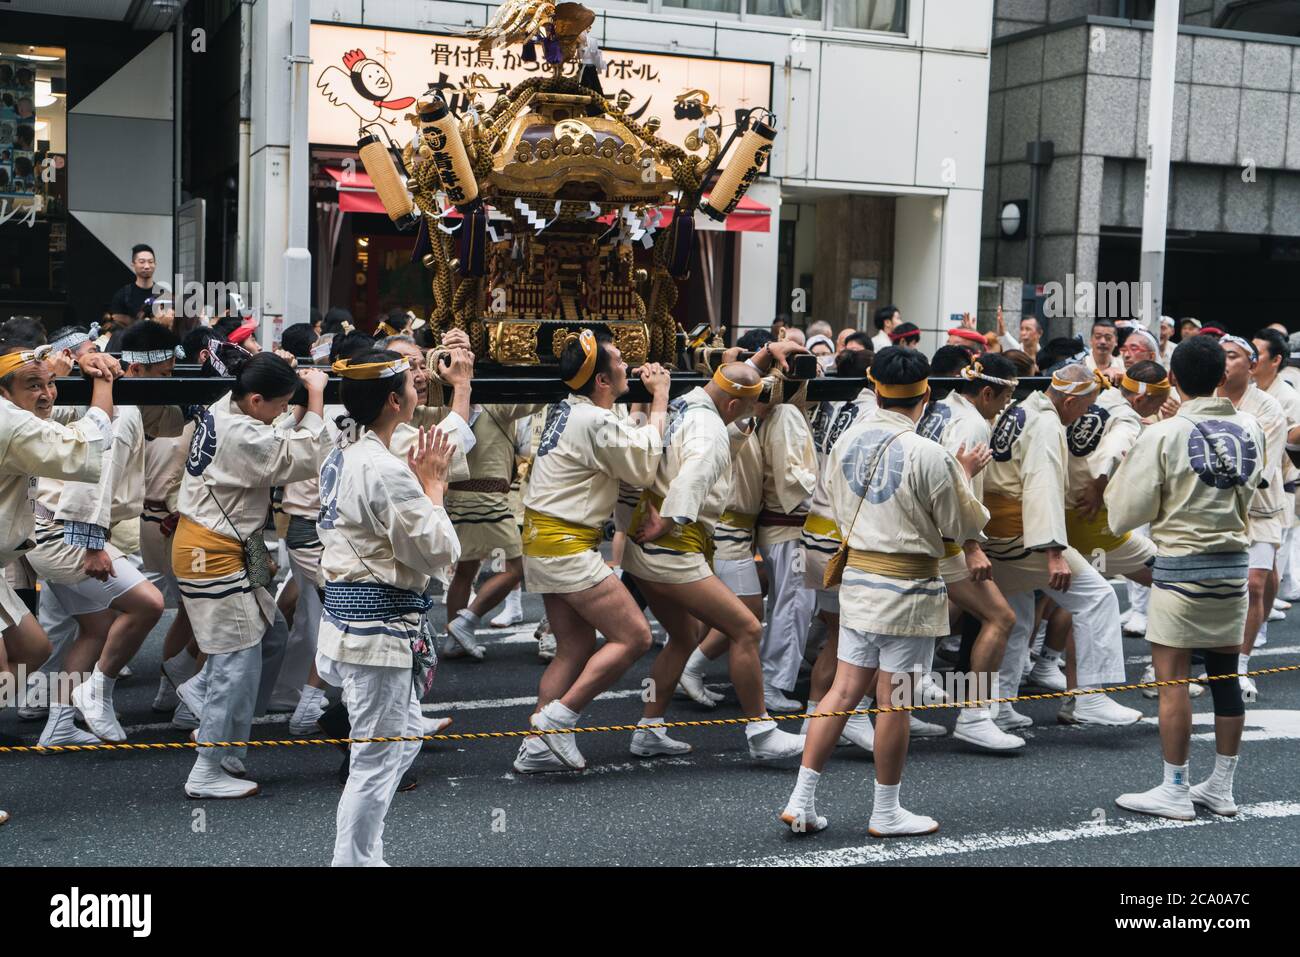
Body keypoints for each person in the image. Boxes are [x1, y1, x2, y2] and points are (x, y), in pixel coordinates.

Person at [781, 347, 988, 837]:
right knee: (894, 700)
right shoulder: (930, 453)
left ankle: (801, 798)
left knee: (843, 690)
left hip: (858, 582)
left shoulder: (848, 437)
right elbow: (959, 525)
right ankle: (886, 810)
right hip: (910, 586)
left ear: (875, 389)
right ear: (926, 394)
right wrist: (966, 474)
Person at [316, 350, 464, 866]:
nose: (418, 386)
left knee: (395, 745)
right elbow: (438, 549)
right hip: (378, 632)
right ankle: (354, 863)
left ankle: (363, 857)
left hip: (357, 623)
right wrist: (435, 486)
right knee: (376, 761)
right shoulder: (383, 468)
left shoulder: (343, 452)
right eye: (410, 382)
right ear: (393, 401)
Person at [621, 351, 807, 761]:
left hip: (649, 548)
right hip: (672, 547)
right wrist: (669, 521)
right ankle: (761, 732)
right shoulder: (711, 431)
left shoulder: (691, 400)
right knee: (746, 628)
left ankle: (649, 727)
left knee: (684, 637)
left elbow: (721, 415)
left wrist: (756, 375)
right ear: (734, 404)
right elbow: (695, 473)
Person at [1106, 337, 1259, 820]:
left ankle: (1175, 788)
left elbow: (1125, 513)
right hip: (1233, 567)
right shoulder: (1251, 425)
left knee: (1173, 682)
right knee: (1225, 677)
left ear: (1172, 378)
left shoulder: (1164, 433)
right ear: (1222, 378)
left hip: (1180, 572)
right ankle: (1222, 787)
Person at [172, 348, 328, 798]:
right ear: (257, 399)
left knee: (272, 634)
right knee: (235, 660)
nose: (285, 412)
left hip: (239, 545)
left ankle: (227, 733)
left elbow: (278, 434)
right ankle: (207, 764)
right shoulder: (240, 432)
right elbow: (301, 456)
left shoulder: (229, 405)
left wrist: (293, 394)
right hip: (214, 553)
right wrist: (314, 400)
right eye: (281, 404)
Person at [513, 330, 670, 773]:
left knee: (574, 646)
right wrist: (659, 400)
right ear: (602, 380)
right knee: (635, 636)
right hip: (566, 545)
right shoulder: (593, 421)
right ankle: (558, 720)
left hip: (544, 540)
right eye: (619, 362)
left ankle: (536, 748)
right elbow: (642, 462)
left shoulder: (567, 409)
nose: (627, 367)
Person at [982, 361, 1141, 729]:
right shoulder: (1046, 424)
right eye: (1085, 407)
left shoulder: (1022, 407)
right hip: (1022, 535)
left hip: (1000, 533)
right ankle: (1090, 697)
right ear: (1070, 402)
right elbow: (1043, 489)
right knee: (1098, 597)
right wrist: (1054, 553)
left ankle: (999, 707)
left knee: (1019, 620)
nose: (1085, 416)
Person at [0, 342, 120, 827]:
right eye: (34, 385)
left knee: (32, 646)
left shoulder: (16, 412)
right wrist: (105, 383)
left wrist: (66, 366)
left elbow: (52, 414)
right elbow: (86, 446)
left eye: (47, 382)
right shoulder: (9, 423)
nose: (46, 393)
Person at [920, 349, 1024, 750]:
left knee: (926, 624)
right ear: (985, 394)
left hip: (918, 536)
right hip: (945, 542)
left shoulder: (937, 410)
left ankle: (898, 709)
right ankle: (975, 715)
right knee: (1001, 617)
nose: (1005, 408)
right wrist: (971, 545)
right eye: (1004, 399)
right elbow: (954, 490)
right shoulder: (974, 425)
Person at [1218, 335, 1286, 702]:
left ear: (1251, 363)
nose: (1225, 362)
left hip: (1259, 507)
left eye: (1233, 356)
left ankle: (1240, 666)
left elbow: (1263, 468)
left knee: (1255, 584)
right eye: (1221, 356)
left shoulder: (1269, 408)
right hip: (1212, 506)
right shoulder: (1205, 399)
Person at [753, 376, 819, 713]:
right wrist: (829, 495)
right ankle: (772, 682)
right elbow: (792, 478)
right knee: (793, 604)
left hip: (784, 526)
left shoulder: (786, 412)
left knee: (794, 603)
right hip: (788, 527)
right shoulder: (787, 415)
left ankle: (777, 675)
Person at [108, 244, 158, 328]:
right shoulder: (122, 296)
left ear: (155, 264)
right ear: (133, 264)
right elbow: (116, 327)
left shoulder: (164, 295)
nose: (147, 266)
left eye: (150, 262)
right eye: (142, 262)